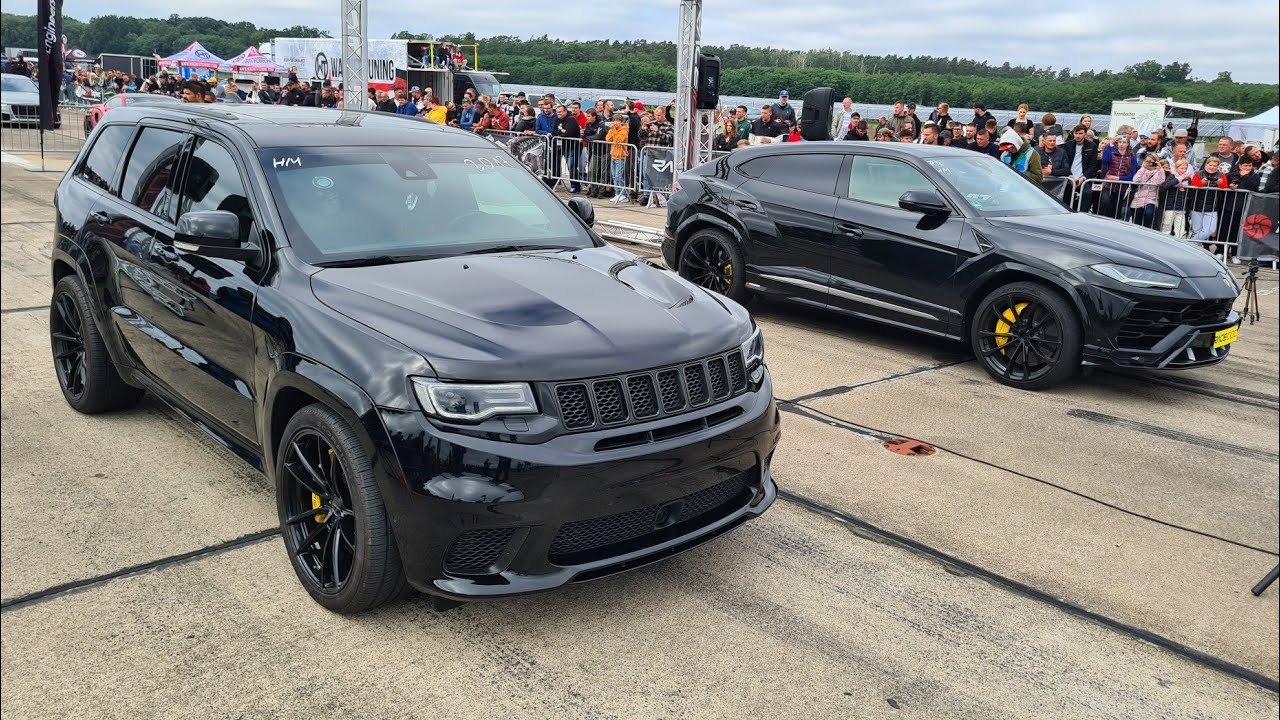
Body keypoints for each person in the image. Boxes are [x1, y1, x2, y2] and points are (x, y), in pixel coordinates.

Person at [1129, 154, 1166, 228]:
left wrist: (1160, 169)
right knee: (1137, 218)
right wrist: (1143, 168)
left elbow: (1161, 181)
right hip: (1138, 198)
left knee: (1149, 213)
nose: (1149, 164)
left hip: (1151, 199)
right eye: (1147, 161)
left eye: (1151, 162)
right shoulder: (1142, 170)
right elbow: (1135, 180)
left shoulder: (1158, 172)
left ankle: (1147, 230)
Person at [1161, 159, 1194, 239]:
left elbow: (1191, 193)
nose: (1184, 170)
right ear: (1176, 168)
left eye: (1185, 168)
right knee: (1167, 227)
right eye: (1181, 168)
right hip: (1170, 206)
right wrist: (1179, 179)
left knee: (1180, 230)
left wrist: (1186, 189)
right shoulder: (1172, 176)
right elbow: (1165, 185)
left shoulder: (1188, 179)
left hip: (1181, 207)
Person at [553, 105, 583, 194]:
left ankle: (575, 186)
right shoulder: (557, 119)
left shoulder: (571, 119)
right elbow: (554, 131)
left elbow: (569, 133)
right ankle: (575, 185)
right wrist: (562, 131)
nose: (558, 114)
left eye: (560, 112)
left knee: (572, 167)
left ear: (565, 111)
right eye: (557, 112)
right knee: (569, 167)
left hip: (573, 147)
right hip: (564, 147)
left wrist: (561, 132)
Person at [606, 115, 632, 204]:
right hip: (613, 155)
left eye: (617, 121)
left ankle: (623, 194)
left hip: (621, 156)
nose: (615, 123)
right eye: (614, 121)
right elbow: (608, 139)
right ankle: (617, 193)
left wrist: (613, 130)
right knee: (614, 176)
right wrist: (612, 130)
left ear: (621, 122)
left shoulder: (624, 131)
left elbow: (618, 140)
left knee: (619, 176)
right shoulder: (614, 130)